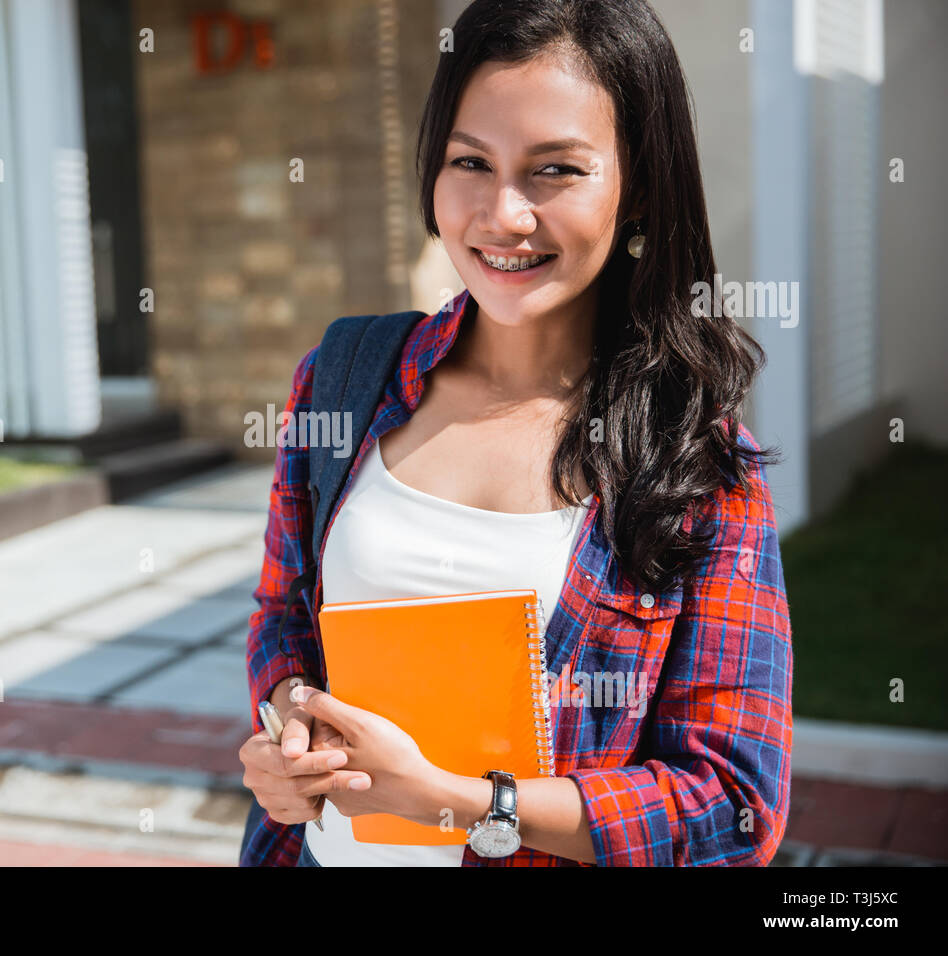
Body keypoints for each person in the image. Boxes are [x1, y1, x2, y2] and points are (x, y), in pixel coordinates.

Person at [238, 0, 792, 867]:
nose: (504, 215)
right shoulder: (342, 378)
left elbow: (734, 805)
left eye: (555, 170)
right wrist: (290, 723)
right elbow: (283, 616)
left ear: (636, 183)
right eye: (471, 162)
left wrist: (463, 803)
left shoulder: (699, 465)